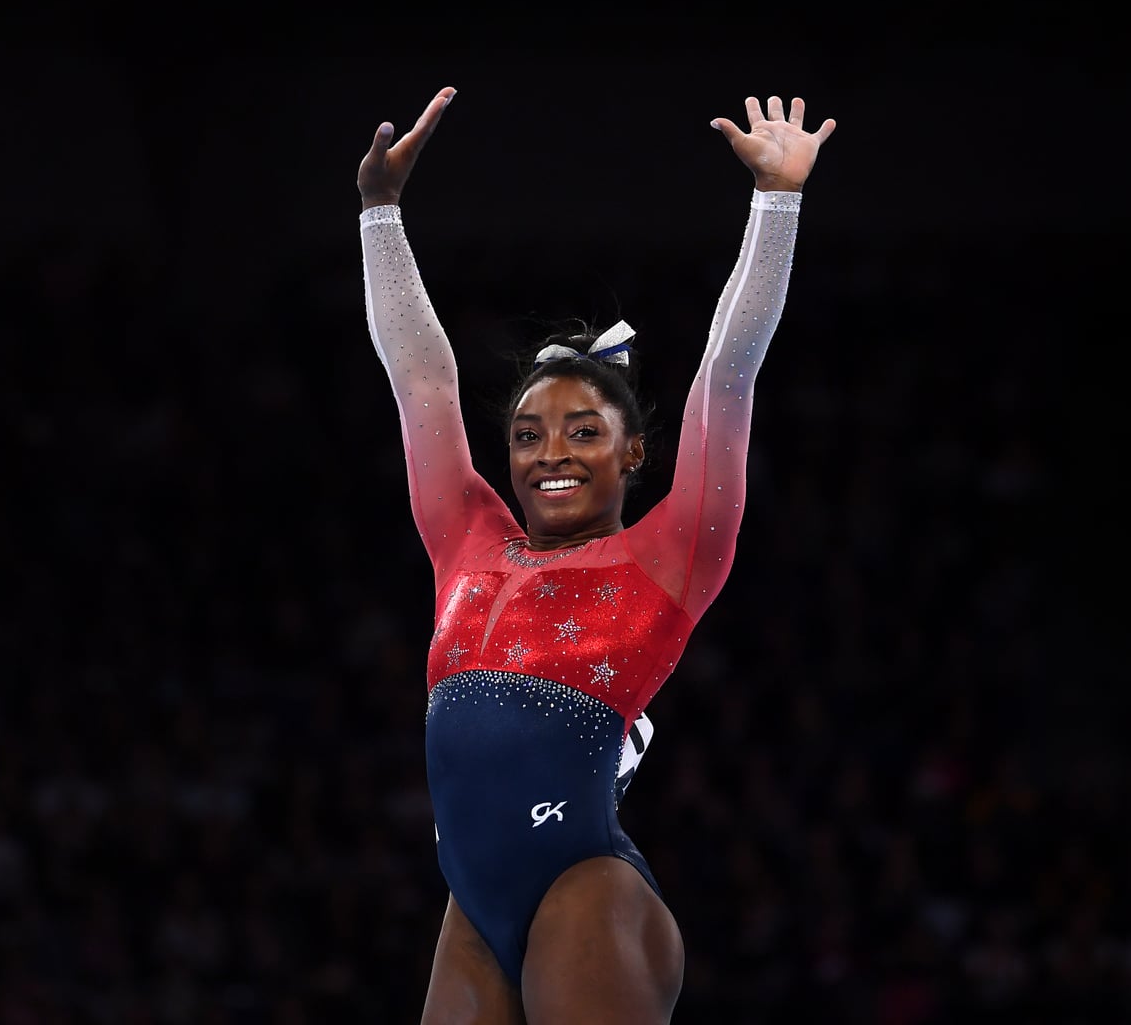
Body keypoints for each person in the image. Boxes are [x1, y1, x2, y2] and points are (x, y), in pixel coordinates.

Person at [357, 86, 835, 1023]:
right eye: (528, 435)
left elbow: (728, 371)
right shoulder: (468, 542)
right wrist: (380, 214)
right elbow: (419, 380)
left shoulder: (670, 555)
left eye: (584, 431)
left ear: (634, 454)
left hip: (585, 887)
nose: (552, 454)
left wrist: (776, 201)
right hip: (471, 906)